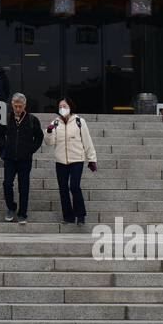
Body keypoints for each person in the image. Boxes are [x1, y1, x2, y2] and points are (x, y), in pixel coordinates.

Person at [45, 97, 97, 230]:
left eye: (64, 106)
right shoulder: (55, 123)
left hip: (77, 159)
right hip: (60, 161)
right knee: (63, 189)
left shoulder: (79, 121)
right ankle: (68, 216)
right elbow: (49, 142)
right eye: (60, 106)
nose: (62, 108)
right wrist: (49, 132)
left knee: (74, 186)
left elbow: (87, 141)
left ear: (70, 107)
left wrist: (91, 159)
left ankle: (80, 215)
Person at [0, 92, 43, 224]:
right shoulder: (6, 119)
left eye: (20, 106)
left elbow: (39, 137)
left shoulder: (32, 120)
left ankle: (22, 213)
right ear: (12, 105)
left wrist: (31, 150)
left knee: (24, 186)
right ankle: (11, 207)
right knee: (7, 184)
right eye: (15, 106)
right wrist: (3, 150)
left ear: (24, 105)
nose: (17, 109)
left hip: (25, 159)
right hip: (9, 158)